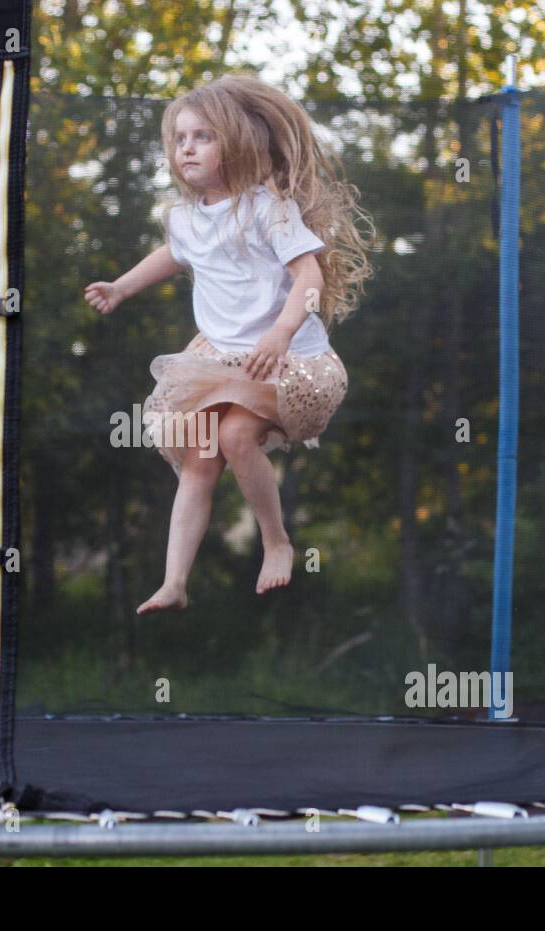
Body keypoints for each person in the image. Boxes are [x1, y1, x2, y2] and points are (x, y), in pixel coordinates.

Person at [84, 74, 375, 614]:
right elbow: (172, 255)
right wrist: (121, 287)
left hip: (291, 363)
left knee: (238, 437)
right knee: (200, 458)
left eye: (203, 137)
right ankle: (174, 581)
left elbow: (309, 279)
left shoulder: (269, 209)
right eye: (180, 138)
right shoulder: (185, 217)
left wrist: (281, 332)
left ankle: (275, 540)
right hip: (217, 361)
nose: (187, 148)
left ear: (237, 144)